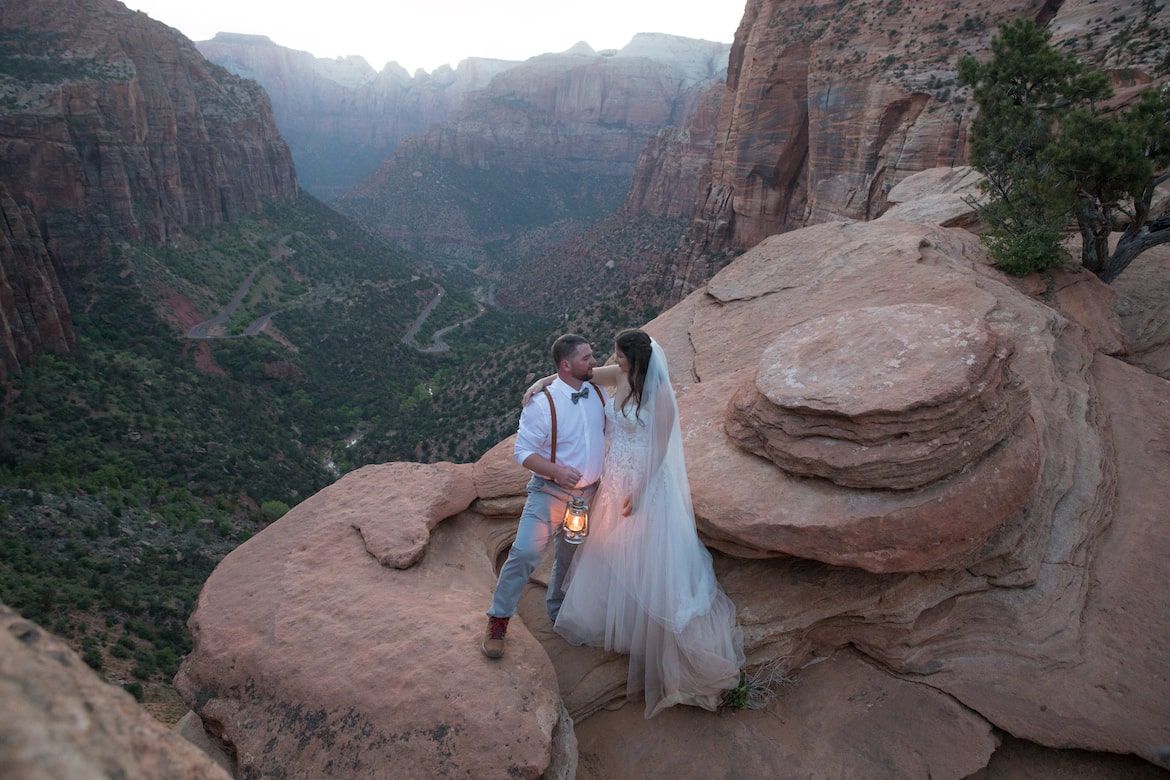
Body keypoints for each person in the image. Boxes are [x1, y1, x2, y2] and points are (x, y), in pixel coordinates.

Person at [524, 329, 744, 718]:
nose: (612, 359)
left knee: (645, 553)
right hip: (614, 477)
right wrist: (541, 383)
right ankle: (618, 620)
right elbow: (580, 376)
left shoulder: (660, 396)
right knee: (611, 547)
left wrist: (640, 492)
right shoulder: (619, 375)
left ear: (636, 359)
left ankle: (649, 627)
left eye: (619, 354)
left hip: (643, 483)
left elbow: (660, 450)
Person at [482, 333, 607, 659]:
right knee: (523, 553)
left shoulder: (597, 389)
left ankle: (557, 611)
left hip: (591, 494)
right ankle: (498, 619)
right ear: (567, 365)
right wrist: (555, 470)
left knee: (568, 556)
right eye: (587, 358)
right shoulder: (543, 404)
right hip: (550, 491)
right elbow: (522, 453)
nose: (594, 362)